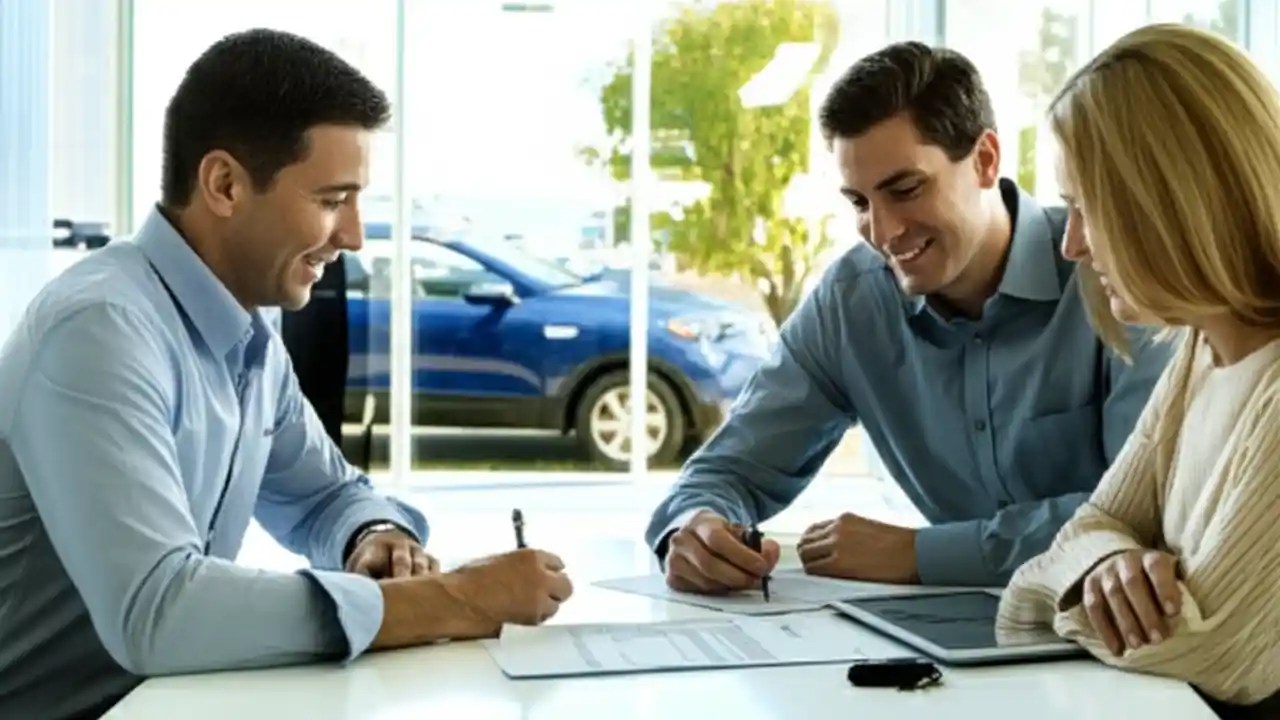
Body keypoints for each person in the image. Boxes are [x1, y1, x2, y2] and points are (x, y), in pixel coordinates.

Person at [0, 29, 571, 719]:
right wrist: (453, 600)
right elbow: (159, 611)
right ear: (224, 185)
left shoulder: (247, 329)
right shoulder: (101, 330)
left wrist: (374, 538)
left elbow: (325, 498)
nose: (355, 236)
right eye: (333, 200)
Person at [646, 40, 1173, 594]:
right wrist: (693, 528)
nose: (883, 231)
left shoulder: (1115, 274)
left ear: (986, 160)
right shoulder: (851, 304)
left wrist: (918, 554)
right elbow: (726, 472)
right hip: (954, 642)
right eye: (859, 202)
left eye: (905, 189)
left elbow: (1139, 513)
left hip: (1113, 640)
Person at [995, 24, 1280, 717]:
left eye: (1090, 207)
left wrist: (1068, 588)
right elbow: (1082, 533)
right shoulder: (1200, 350)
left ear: (1174, 204)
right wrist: (1102, 567)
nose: (1071, 244)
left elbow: (1218, 656)